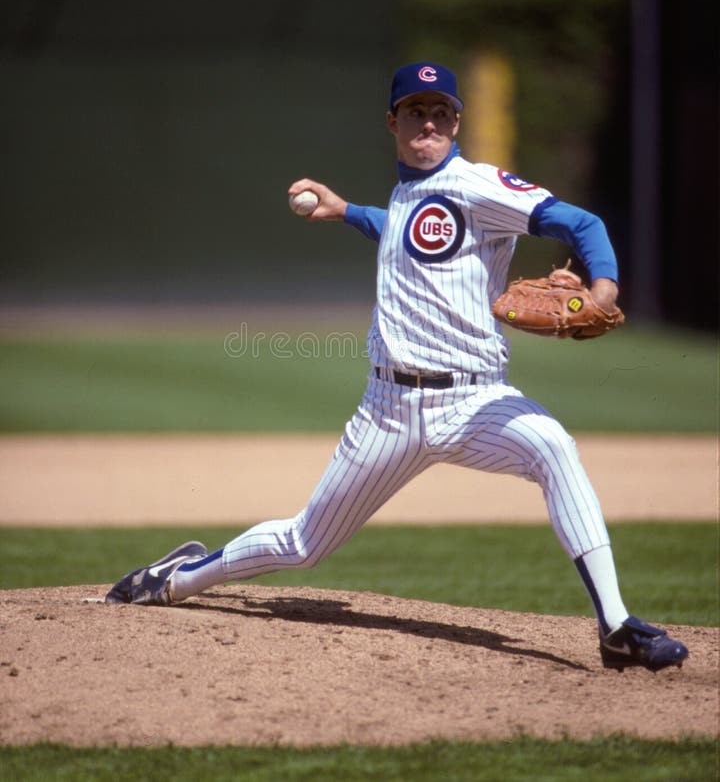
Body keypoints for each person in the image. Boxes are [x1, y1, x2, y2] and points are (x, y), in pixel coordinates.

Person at [106, 62, 688, 672]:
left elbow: (582, 223)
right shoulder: (408, 190)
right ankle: (178, 579)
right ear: (393, 122)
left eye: (441, 112)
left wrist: (604, 287)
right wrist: (346, 210)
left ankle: (617, 626)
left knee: (554, 450)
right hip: (387, 412)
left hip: (475, 405)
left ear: (458, 122)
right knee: (305, 543)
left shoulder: (479, 185)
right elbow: (406, 231)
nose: (429, 122)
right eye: (416, 111)